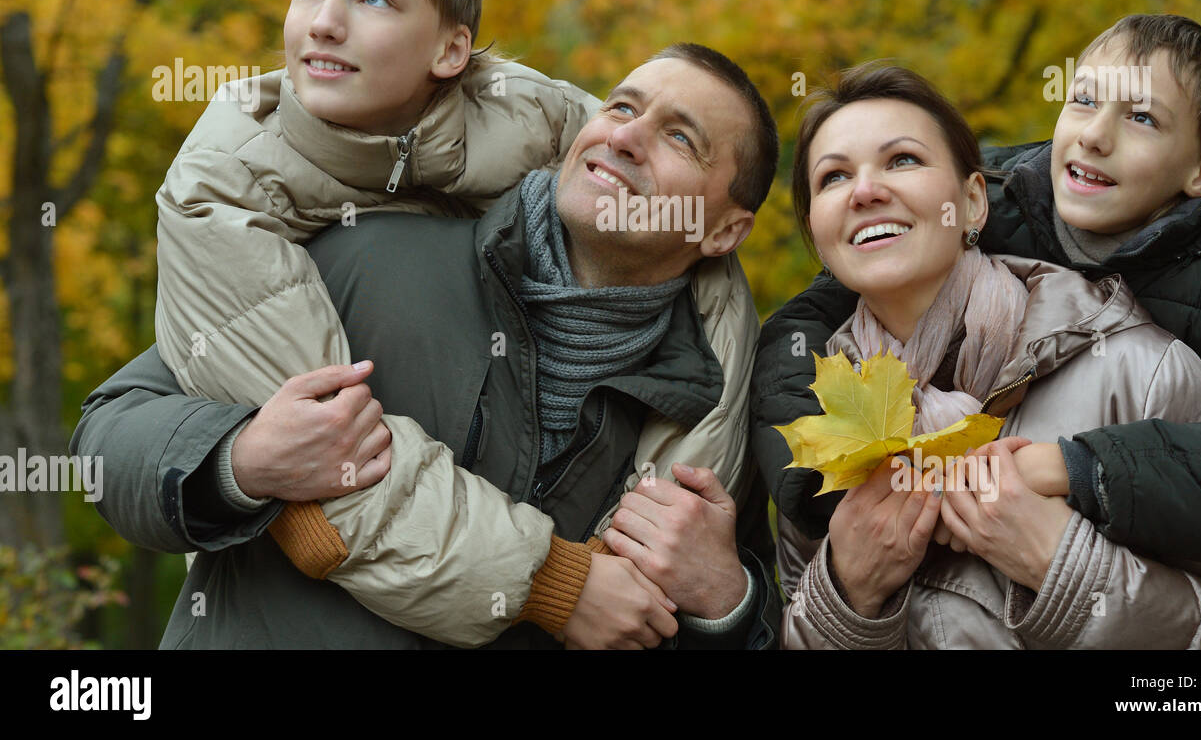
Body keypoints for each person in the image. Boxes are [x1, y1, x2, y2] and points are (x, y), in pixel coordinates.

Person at [74, 43, 784, 649]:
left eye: (680, 138)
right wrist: (238, 459)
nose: (627, 137)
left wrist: (728, 601)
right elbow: (107, 433)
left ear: (723, 230)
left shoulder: (712, 427)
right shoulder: (366, 248)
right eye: (622, 108)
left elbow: (739, 625)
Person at [769, 64, 1201, 648]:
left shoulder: (1138, 367)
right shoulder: (816, 422)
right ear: (818, 232)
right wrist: (851, 596)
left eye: (902, 160)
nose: (865, 190)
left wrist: (1064, 568)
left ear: (973, 203)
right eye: (833, 177)